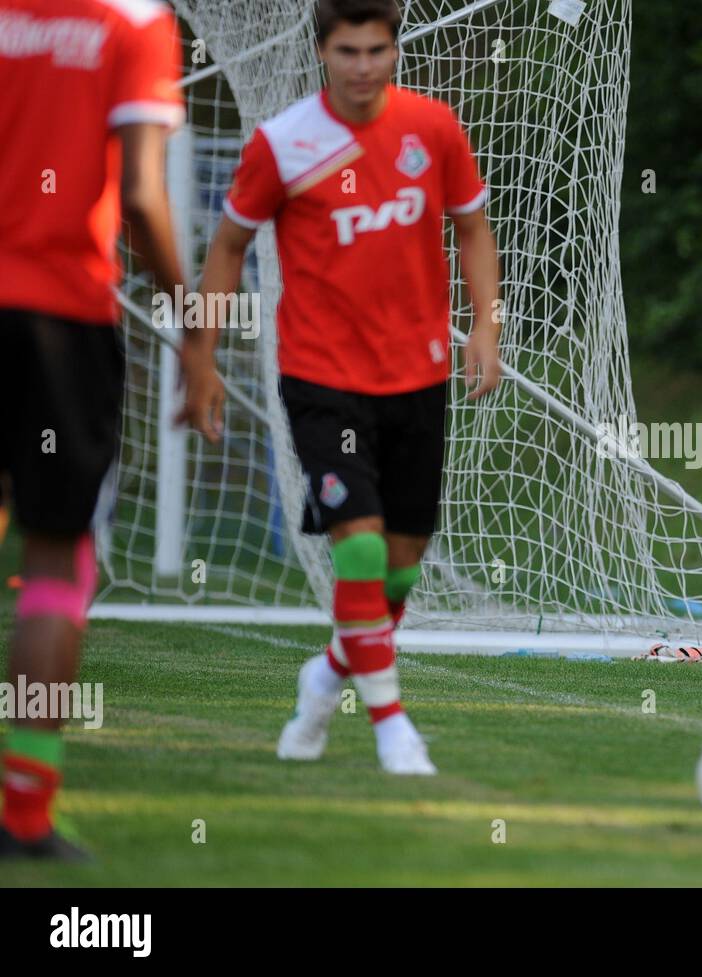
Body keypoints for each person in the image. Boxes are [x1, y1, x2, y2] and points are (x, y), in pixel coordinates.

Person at [184, 0, 501, 775]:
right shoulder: (282, 142)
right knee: (357, 549)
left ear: (395, 51)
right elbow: (227, 247)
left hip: (419, 375)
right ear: (322, 51)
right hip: (323, 379)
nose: (364, 67)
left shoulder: (434, 128)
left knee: (400, 563)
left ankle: (328, 672)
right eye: (348, 51)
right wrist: (202, 355)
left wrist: (486, 325)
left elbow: (473, 227)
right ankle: (392, 724)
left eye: (377, 51)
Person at [0, 0, 187, 858]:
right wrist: (195, 318)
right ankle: (24, 811)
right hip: (58, 318)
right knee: (53, 560)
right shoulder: (135, 21)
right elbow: (145, 194)